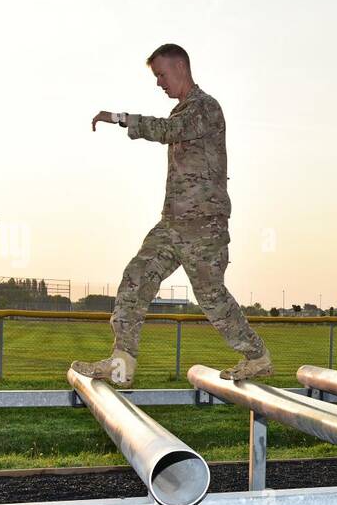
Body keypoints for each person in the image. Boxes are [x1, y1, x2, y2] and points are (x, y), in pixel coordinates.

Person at [73, 43, 272, 386]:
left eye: (161, 75)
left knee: (211, 298)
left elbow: (168, 131)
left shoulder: (205, 108)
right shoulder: (183, 110)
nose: (159, 83)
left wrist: (120, 118)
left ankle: (257, 357)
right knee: (136, 277)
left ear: (180, 67)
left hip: (203, 227)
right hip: (172, 224)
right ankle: (122, 364)